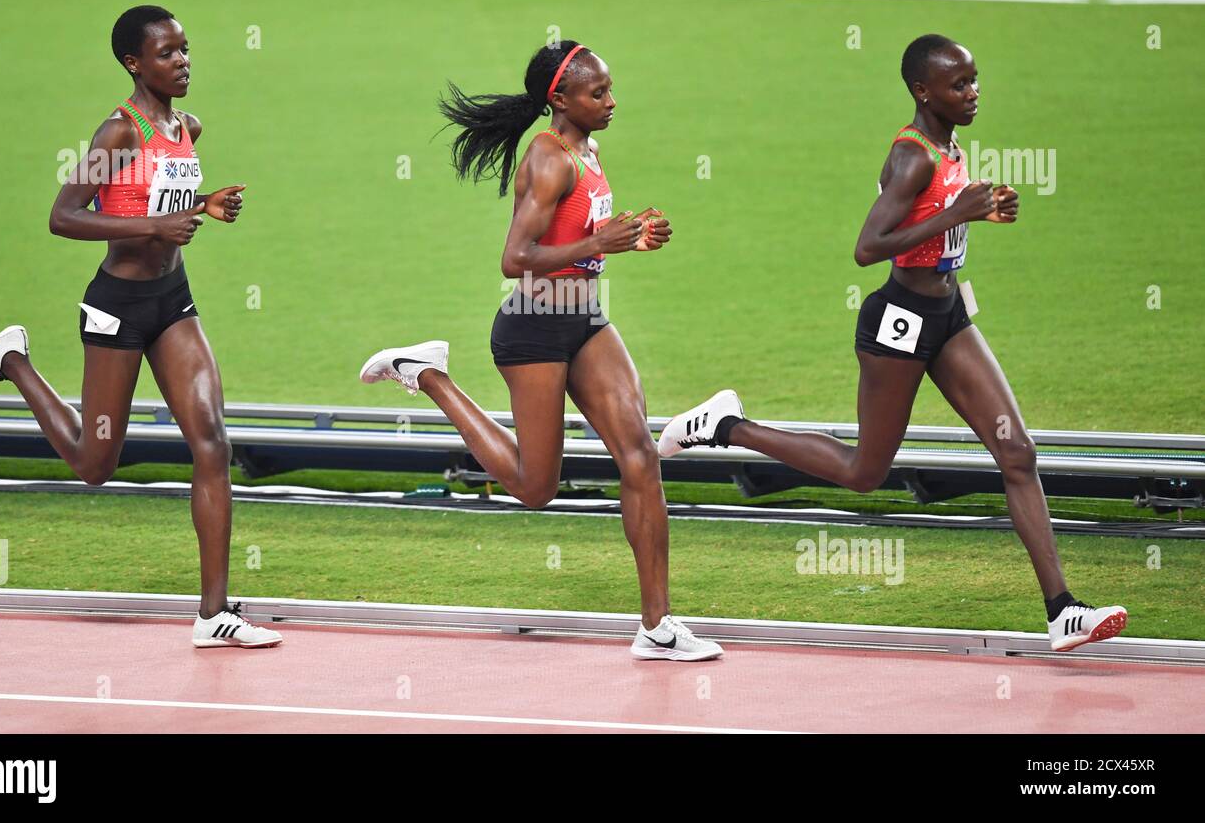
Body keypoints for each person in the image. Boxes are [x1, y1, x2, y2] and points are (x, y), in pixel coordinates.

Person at [658, 34, 1126, 653]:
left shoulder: (948, 143)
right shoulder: (912, 157)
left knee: (1018, 454)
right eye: (960, 84)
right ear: (922, 91)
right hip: (898, 320)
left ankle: (1063, 610)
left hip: (949, 314)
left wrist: (979, 210)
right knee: (864, 472)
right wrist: (957, 213)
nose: (974, 92)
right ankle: (725, 427)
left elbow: (933, 225)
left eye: (976, 79)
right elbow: (868, 247)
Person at [360, 40, 721, 660]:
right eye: (597, 92)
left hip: (585, 321)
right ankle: (426, 374)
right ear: (560, 99)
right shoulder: (550, 160)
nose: (611, 101)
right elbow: (516, 259)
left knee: (639, 457)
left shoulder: (589, 149)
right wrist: (602, 244)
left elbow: (580, 238)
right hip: (532, 327)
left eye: (609, 88)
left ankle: (657, 627)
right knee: (535, 488)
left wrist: (626, 239)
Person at [0, 5, 280, 649]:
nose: (182, 61)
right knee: (94, 464)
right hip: (117, 309)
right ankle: (13, 360)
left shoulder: (186, 126)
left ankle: (214, 614)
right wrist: (154, 228)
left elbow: (159, 201)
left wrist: (202, 204)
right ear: (134, 63)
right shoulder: (117, 134)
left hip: (173, 303)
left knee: (212, 442)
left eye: (186, 49)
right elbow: (65, 216)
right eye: (167, 54)